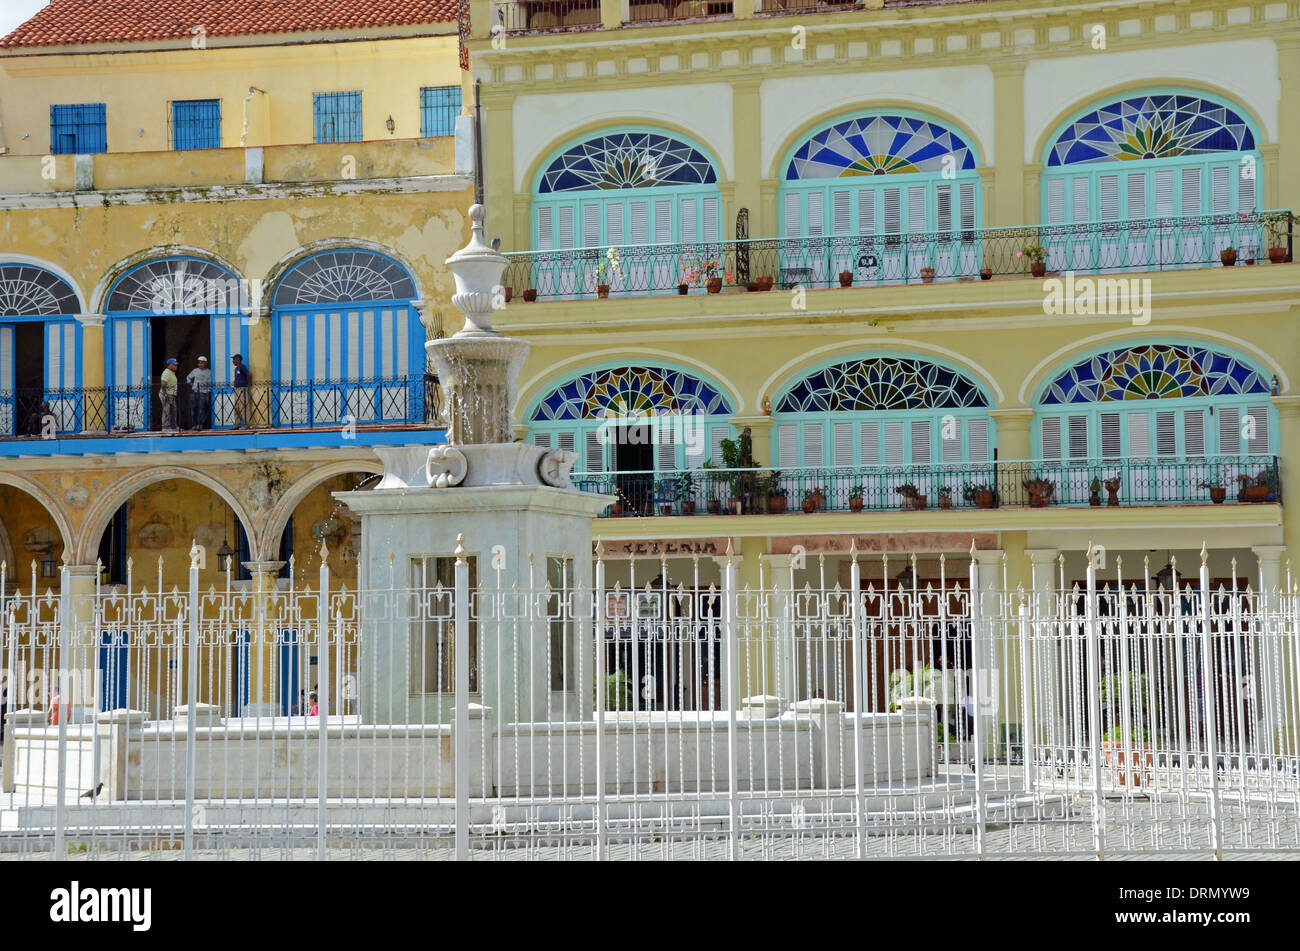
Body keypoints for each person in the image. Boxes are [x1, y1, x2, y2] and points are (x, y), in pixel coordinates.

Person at [186, 356, 212, 430]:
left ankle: (200, 424)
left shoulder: (208, 372)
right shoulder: (195, 370)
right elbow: (188, 377)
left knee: (201, 409)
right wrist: (191, 383)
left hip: (203, 393)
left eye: (202, 363)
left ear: (205, 363)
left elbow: (209, 385)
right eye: (199, 363)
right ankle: (194, 424)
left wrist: (208, 395)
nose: (200, 364)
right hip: (194, 392)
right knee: (193, 409)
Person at [159, 357, 179, 431]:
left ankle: (173, 426)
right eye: (174, 365)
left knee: (173, 410)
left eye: (176, 365)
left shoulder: (172, 373)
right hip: (166, 394)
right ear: (170, 365)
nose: (176, 366)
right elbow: (163, 384)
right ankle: (165, 427)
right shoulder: (167, 372)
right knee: (166, 410)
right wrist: (165, 395)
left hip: (171, 394)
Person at [231, 353, 251, 428]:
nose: (233, 361)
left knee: (244, 406)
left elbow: (249, 375)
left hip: (242, 389)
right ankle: (237, 424)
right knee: (237, 407)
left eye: (234, 360)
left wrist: (247, 385)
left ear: (238, 360)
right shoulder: (236, 368)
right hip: (237, 389)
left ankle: (246, 424)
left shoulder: (242, 367)